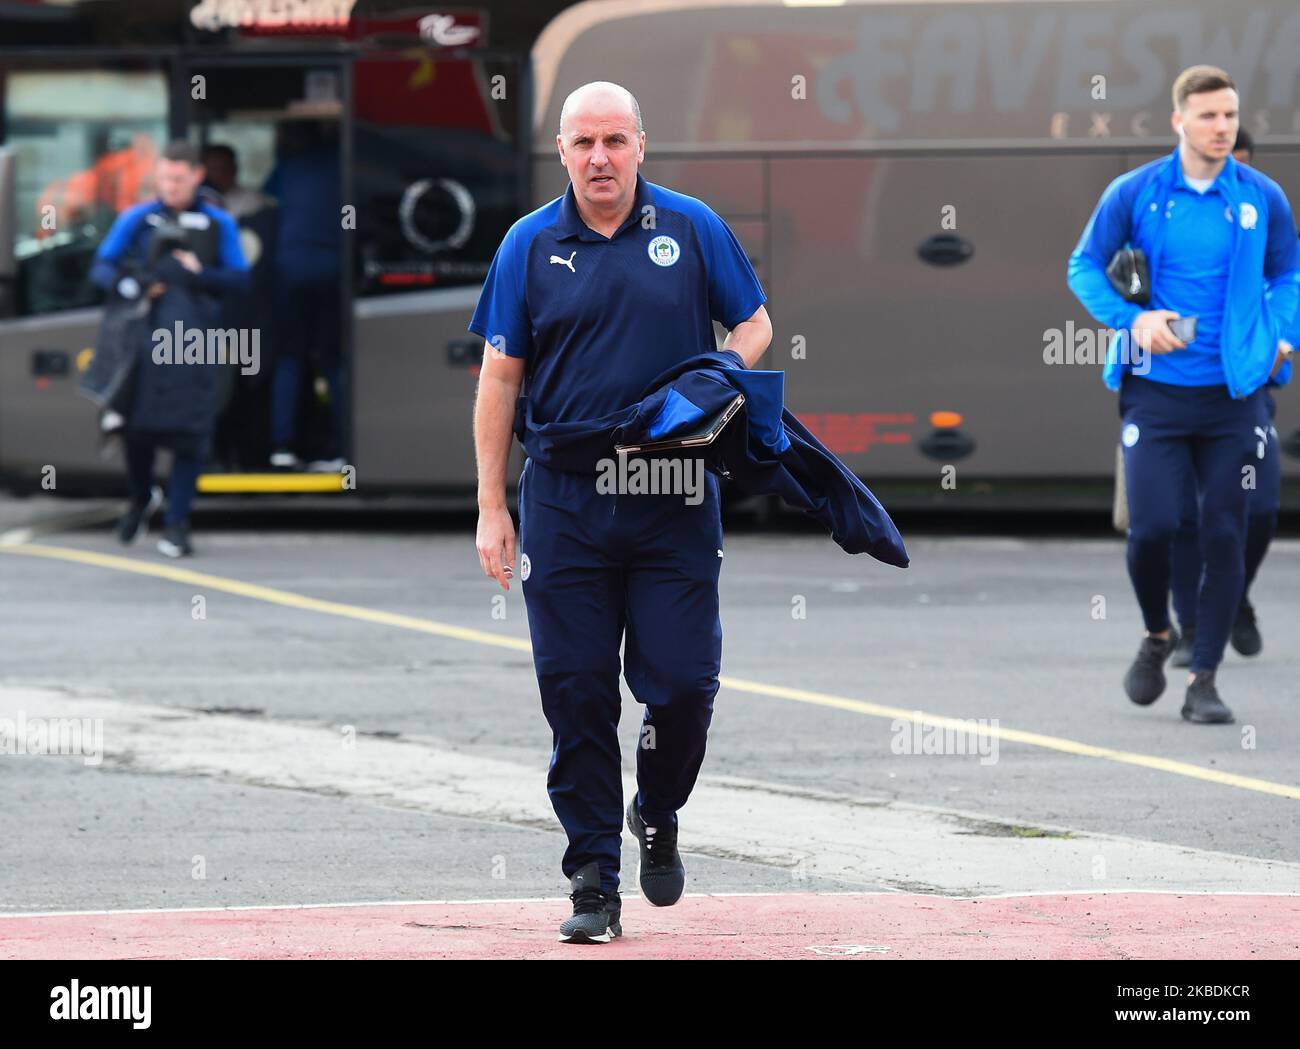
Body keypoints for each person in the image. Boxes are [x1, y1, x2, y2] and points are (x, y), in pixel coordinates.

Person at [470, 81, 771, 942]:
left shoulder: (690, 226)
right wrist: (493, 505)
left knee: (680, 686)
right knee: (575, 692)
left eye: (614, 141)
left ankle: (660, 805)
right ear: (561, 153)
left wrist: (717, 370)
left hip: (673, 491)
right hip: (564, 497)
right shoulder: (528, 243)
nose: (598, 158)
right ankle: (593, 881)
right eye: (582, 144)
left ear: (642, 144)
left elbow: (753, 324)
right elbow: (498, 379)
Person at [1068, 66, 1298, 723]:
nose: (1222, 127)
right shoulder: (1136, 192)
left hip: (1235, 397)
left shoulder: (1261, 197)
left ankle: (1204, 679)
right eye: (1208, 116)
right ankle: (1156, 633)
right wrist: (1131, 318)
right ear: (1179, 121)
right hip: (1156, 395)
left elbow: (1290, 271)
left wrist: (1282, 334)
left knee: (1227, 532)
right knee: (1154, 529)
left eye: (1229, 115)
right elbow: (1083, 264)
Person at [90, 140, 249, 557]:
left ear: (197, 176)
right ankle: (142, 497)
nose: (170, 186)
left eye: (178, 178)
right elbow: (102, 267)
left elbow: (240, 280)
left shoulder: (218, 223)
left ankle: (178, 524)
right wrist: (135, 284)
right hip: (142, 341)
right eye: (163, 178)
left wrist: (201, 274)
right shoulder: (138, 219)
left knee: (190, 435)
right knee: (136, 430)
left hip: (195, 342)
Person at [1168, 127, 1290, 666]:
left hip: (1247, 398)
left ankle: (1234, 593)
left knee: (1259, 508)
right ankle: (1191, 626)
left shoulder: (1264, 220)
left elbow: (1290, 285)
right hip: (1177, 394)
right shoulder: (1173, 224)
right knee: (1181, 517)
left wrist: (1283, 340)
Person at [262, 121, 344, 470]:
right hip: (334, 268)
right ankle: (342, 448)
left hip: (289, 270)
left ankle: (282, 447)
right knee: (334, 361)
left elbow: (267, 202)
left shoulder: (288, 168)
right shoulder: (343, 164)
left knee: (289, 358)